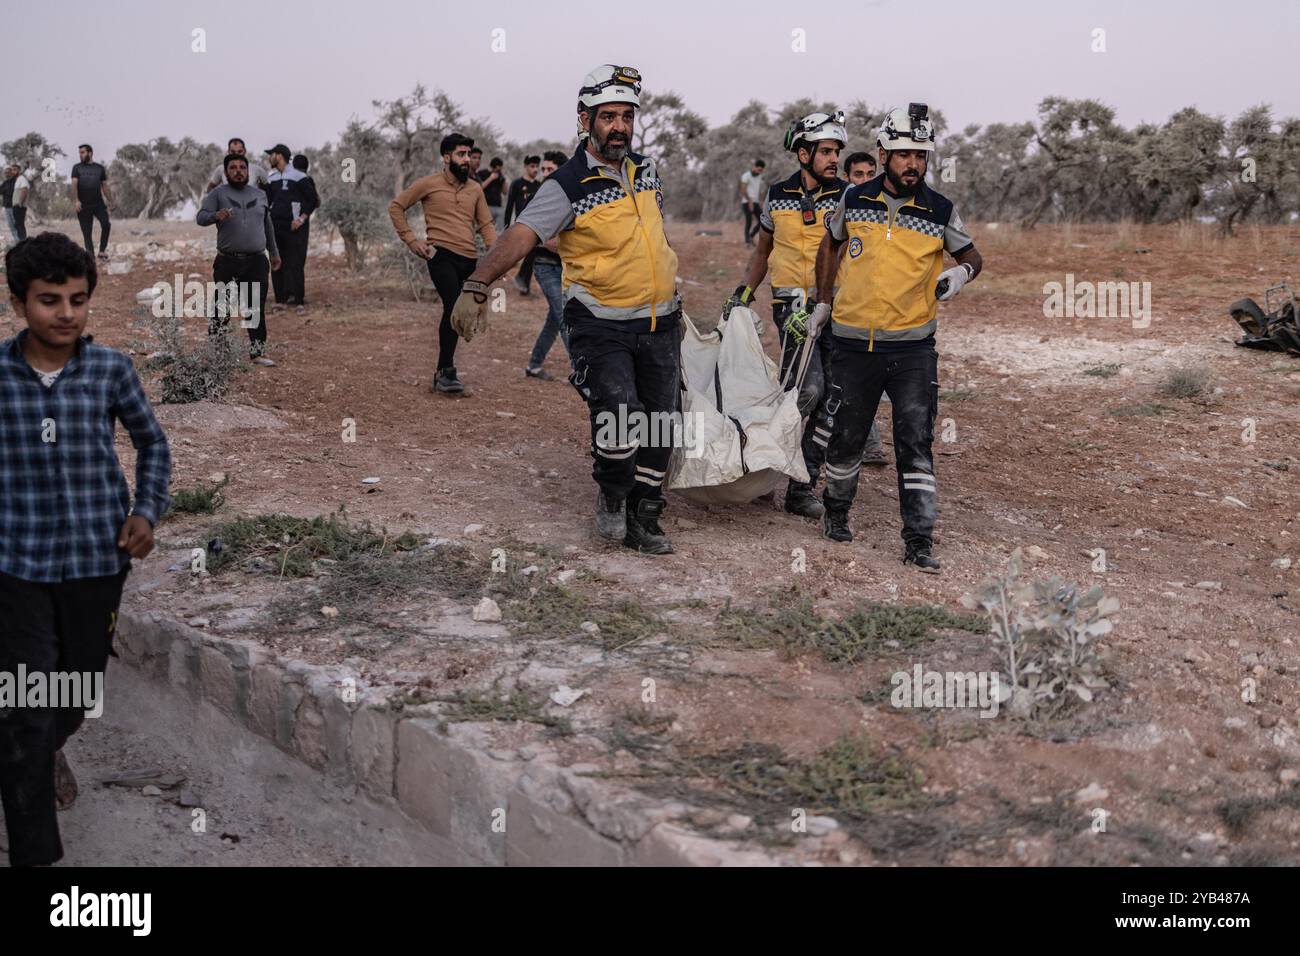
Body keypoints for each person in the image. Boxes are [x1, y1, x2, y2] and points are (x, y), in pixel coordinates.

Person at [450, 65, 681, 554]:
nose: (620, 126)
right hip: (601, 324)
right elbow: (521, 235)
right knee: (620, 416)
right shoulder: (567, 185)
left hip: (661, 321)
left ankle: (645, 515)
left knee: (660, 425)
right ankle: (613, 493)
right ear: (585, 119)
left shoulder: (647, 171)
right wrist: (477, 283)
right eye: (608, 116)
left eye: (627, 116)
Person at [0, 232, 171, 867]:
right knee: (25, 706)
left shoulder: (111, 370)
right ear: (20, 304)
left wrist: (147, 510)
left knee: (71, 696)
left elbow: (152, 445)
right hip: (15, 566)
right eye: (49, 300)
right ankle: (37, 854)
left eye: (77, 299)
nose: (66, 313)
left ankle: (47, 743)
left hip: (98, 563)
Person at [802, 103, 982, 572]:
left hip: (913, 349)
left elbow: (972, 254)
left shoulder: (940, 209)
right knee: (846, 437)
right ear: (883, 154)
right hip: (852, 342)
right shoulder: (854, 198)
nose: (913, 164)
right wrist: (823, 300)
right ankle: (837, 511)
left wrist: (961, 273)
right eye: (903, 154)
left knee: (915, 441)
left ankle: (919, 539)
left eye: (921, 155)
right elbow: (831, 243)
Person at [725, 111, 847, 519]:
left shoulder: (849, 196)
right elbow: (762, 251)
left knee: (832, 396)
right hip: (792, 309)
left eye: (836, 152)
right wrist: (743, 293)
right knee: (805, 390)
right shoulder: (776, 194)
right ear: (803, 153)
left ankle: (801, 484)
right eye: (826, 151)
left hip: (838, 307)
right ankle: (767, 468)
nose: (834, 159)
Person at [387, 133, 497, 394]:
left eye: (469, 155)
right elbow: (396, 206)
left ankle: (445, 371)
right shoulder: (429, 184)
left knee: (463, 313)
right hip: (440, 255)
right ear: (446, 157)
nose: (467, 159)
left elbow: (486, 225)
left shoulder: (475, 189)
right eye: (461, 154)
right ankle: (445, 372)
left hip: (469, 259)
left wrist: (496, 256)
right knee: (453, 305)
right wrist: (412, 242)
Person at [196, 153, 282, 365]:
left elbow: (267, 225)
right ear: (226, 172)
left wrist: (274, 252)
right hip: (227, 261)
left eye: (242, 167)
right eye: (233, 168)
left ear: (248, 171)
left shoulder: (260, 195)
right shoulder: (218, 194)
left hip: (256, 261)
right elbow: (200, 217)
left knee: (255, 308)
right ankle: (217, 352)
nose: (238, 171)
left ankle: (258, 352)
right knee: (221, 308)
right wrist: (216, 216)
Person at [841, 150, 888, 467]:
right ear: (847, 177)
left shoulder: (880, 207)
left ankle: (870, 444)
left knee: (862, 374)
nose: (865, 180)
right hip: (838, 299)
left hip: (866, 304)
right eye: (858, 174)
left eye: (870, 173)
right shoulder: (848, 205)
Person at [523, 150, 573, 381]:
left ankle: (534, 365)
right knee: (565, 316)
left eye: (549, 170)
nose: (544, 173)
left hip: (566, 267)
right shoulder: (540, 196)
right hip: (545, 265)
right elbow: (540, 237)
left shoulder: (571, 193)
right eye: (543, 169)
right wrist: (571, 246)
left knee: (554, 320)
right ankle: (584, 371)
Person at [262, 145, 317, 313]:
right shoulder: (271, 179)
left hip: (295, 227)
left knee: (295, 263)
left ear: (279, 156)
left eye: (271, 154)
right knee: (277, 261)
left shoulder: (300, 177)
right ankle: (281, 300)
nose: (269, 157)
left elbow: (312, 200)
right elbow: (266, 201)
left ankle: (299, 301)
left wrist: (301, 218)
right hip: (275, 227)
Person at [504, 155, 542, 295]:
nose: (535, 169)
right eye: (532, 166)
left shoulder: (539, 185)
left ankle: (524, 286)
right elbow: (509, 206)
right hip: (522, 224)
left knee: (532, 253)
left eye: (537, 166)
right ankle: (520, 280)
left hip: (537, 225)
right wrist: (507, 227)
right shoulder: (517, 184)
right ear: (525, 167)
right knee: (528, 253)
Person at [287, 154, 320, 310]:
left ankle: (294, 295)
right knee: (298, 260)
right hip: (302, 224)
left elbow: (314, 200)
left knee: (291, 260)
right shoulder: (307, 179)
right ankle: (297, 295)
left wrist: (301, 218)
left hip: (296, 222)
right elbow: (316, 201)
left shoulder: (299, 180)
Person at [70, 144, 113, 261]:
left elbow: (105, 186)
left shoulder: (99, 168)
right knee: (87, 233)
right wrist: (76, 201)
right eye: (79, 153)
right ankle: (91, 258)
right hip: (83, 205)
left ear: (90, 153)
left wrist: (111, 201)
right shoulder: (76, 168)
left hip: (98, 204)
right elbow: (74, 185)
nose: (80, 155)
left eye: (83, 152)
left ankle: (102, 251)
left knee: (106, 224)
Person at [739, 159, 765, 247]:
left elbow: (759, 190)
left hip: (756, 202)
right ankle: (747, 242)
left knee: (763, 221)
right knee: (749, 221)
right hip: (746, 202)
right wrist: (749, 201)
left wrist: (761, 201)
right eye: (759, 170)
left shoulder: (760, 176)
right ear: (754, 167)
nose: (760, 172)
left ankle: (751, 236)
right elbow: (743, 190)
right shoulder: (746, 176)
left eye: (761, 170)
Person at [478, 157, 507, 234]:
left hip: (498, 207)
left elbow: (505, 192)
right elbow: (479, 188)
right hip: (486, 206)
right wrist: (491, 178)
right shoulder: (482, 173)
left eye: (500, 169)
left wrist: (503, 180)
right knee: (486, 230)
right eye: (497, 169)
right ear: (492, 166)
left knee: (499, 231)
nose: (498, 171)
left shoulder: (500, 176)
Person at [11, 168, 33, 242]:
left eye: (14, 170)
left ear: (19, 171)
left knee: (20, 225)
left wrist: (20, 203)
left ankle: (22, 242)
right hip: (16, 206)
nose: (13, 172)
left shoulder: (22, 179)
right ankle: (20, 241)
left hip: (19, 206)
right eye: (12, 171)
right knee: (17, 225)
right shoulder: (17, 180)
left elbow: (25, 190)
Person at [1, 166, 18, 243]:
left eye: (8, 172)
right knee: (11, 224)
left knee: (15, 224)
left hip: (14, 207)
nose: (6, 174)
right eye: (5, 173)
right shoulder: (5, 183)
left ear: (11, 173)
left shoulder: (16, 182)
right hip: (7, 207)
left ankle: (18, 240)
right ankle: (16, 240)